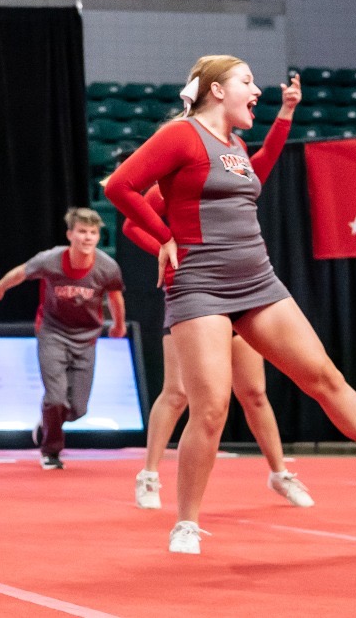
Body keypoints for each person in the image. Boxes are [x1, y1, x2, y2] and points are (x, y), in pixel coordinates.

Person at [104, 59, 356, 555]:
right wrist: (164, 237)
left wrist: (286, 115)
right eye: (247, 82)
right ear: (215, 89)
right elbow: (117, 187)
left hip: (257, 281)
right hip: (200, 285)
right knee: (210, 408)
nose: (256, 90)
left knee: (326, 379)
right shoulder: (182, 136)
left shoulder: (236, 147)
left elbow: (261, 169)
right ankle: (186, 521)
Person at [118, 179, 314, 511]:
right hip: (194, 296)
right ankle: (149, 475)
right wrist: (168, 248)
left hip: (240, 291)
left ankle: (279, 474)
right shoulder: (167, 187)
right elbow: (131, 225)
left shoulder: (231, 173)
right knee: (177, 393)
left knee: (254, 393)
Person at [0, 208, 126, 470]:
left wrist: (118, 326)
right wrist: (0, 286)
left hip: (86, 338)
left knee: (77, 409)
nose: (87, 238)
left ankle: (48, 420)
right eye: (82, 232)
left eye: (93, 233)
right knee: (56, 399)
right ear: (70, 235)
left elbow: (115, 298)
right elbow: (22, 272)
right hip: (52, 332)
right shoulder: (50, 259)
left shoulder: (107, 266)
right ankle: (51, 451)